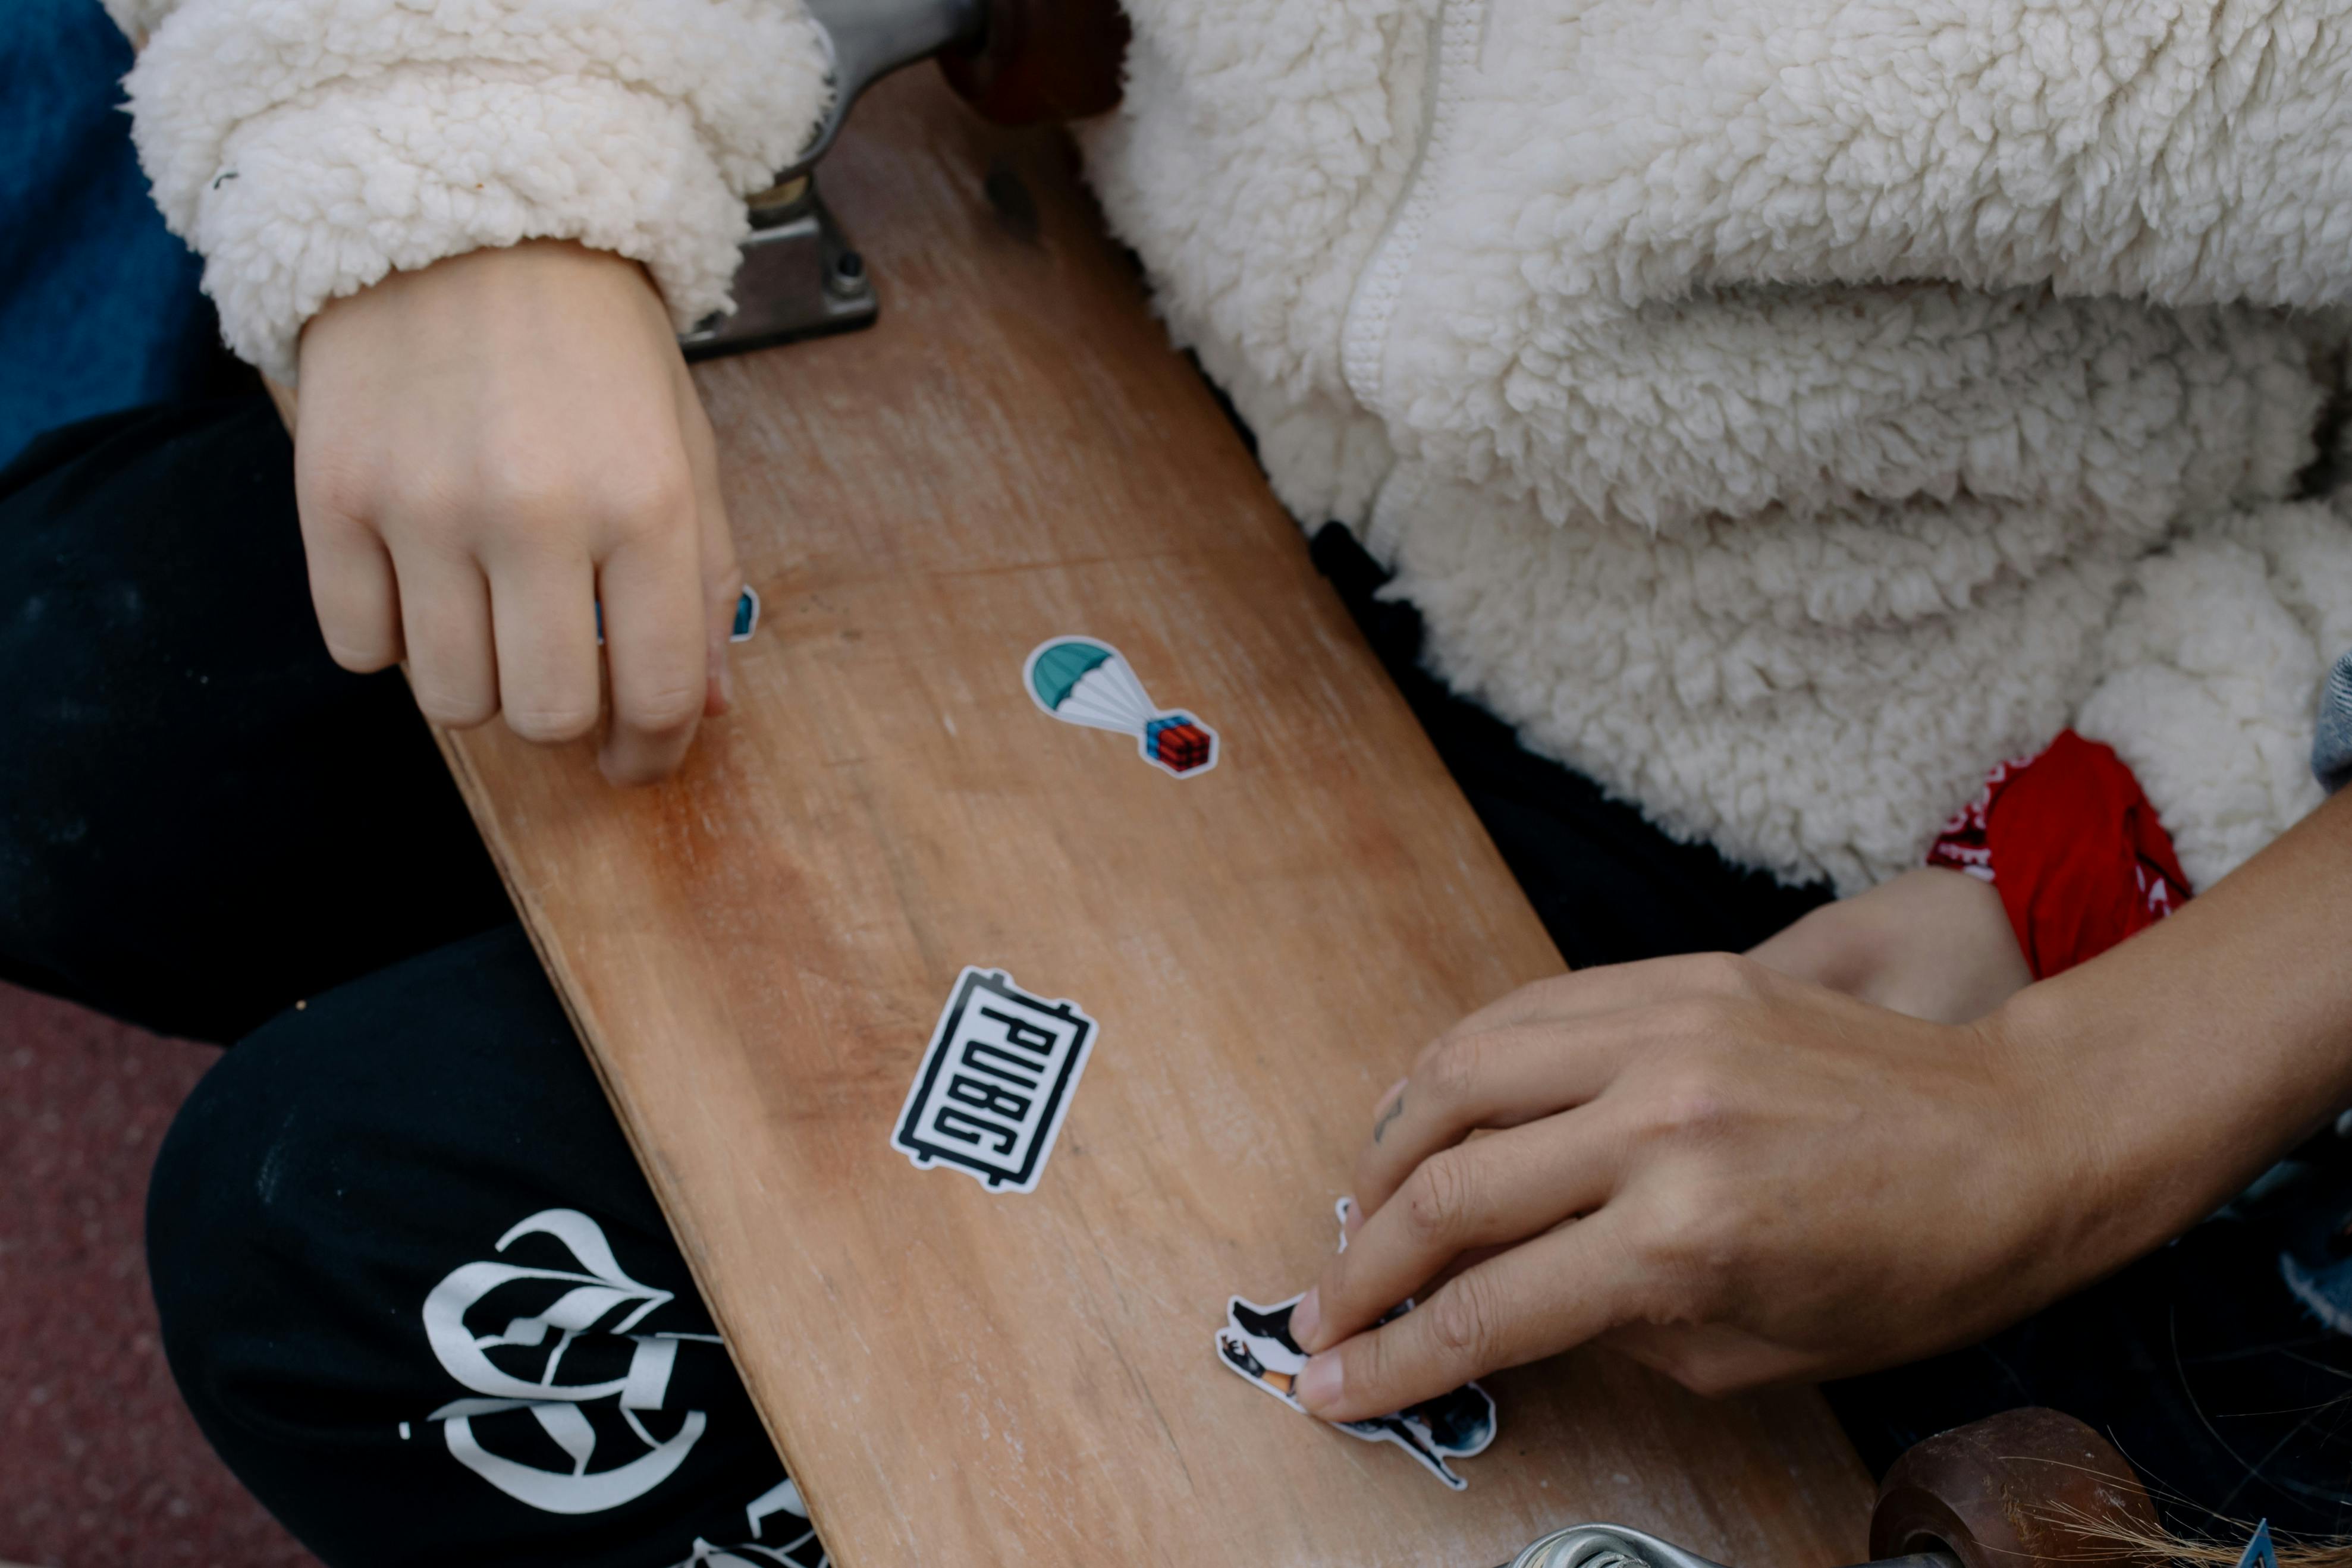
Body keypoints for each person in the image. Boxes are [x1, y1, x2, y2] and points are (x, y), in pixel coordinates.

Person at [9, 0, 2352, 1558]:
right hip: (1095, 314)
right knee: (70, 736)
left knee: (335, 1233)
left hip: (1821, 766)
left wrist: (2068, 1073)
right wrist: (467, 152)